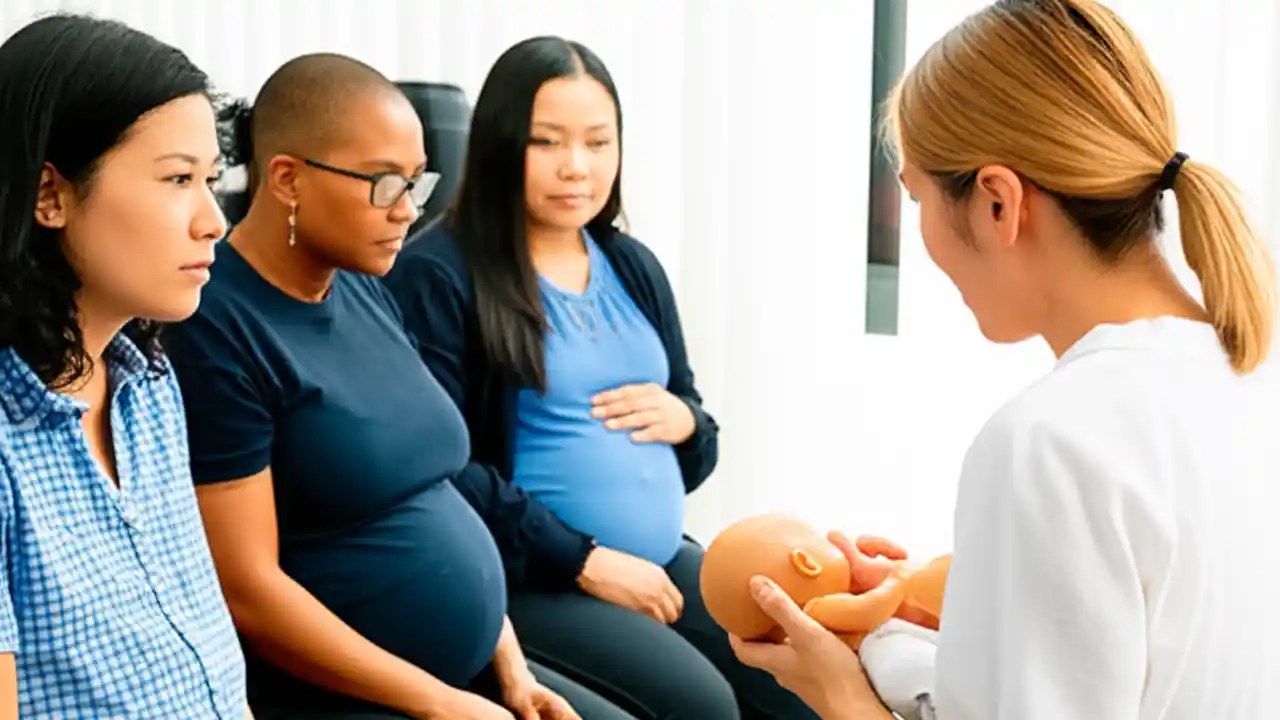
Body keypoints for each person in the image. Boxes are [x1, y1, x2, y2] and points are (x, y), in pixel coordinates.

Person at [729, 1, 1280, 718]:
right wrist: (957, 595)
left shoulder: (1052, 441)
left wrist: (837, 694)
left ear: (997, 202)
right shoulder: (1244, 375)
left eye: (917, 198)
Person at [162, 52, 635, 720]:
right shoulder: (215, 327)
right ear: (288, 178)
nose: (409, 211)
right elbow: (248, 592)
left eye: (417, 183)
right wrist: (438, 703)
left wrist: (512, 671)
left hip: (465, 673)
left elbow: (436, 491)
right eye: (385, 185)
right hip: (350, 695)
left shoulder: (365, 289)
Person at [382, 36, 815, 720]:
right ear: (499, 144)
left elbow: (695, 435)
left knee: (803, 676)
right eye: (547, 142)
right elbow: (440, 472)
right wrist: (582, 560)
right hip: (534, 576)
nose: (577, 167)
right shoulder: (439, 274)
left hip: (656, 558)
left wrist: (687, 423)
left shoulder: (632, 266)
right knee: (703, 706)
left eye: (598, 142)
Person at [0, 14, 249, 719]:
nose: (214, 221)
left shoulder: (147, 385)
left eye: (211, 179)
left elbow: (211, 662)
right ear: (50, 195)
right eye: (178, 179)